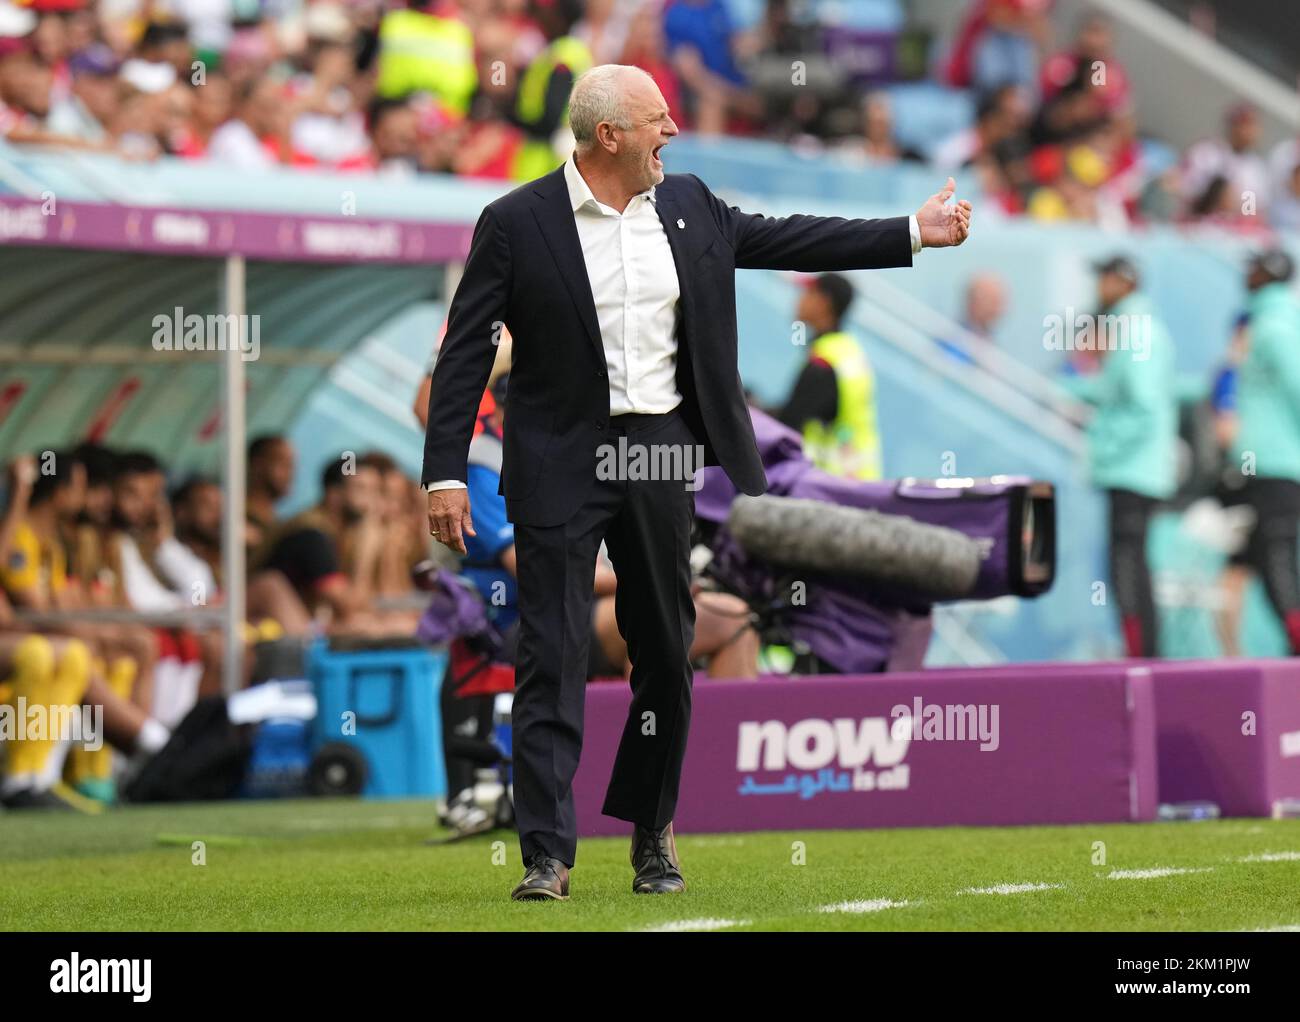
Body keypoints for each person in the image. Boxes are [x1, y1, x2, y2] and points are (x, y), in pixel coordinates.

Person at [421, 63, 971, 901]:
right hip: (561, 457)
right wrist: (445, 474)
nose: (672, 132)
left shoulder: (690, 206)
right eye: (658, 119)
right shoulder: (515, 222)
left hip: (659, 453)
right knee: (552, 652)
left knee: (667, 652)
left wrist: (912, 231)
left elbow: (792, 236)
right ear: (609, 135)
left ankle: (651, 833)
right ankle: (546, 855)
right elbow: (465, 352)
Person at [1060, 255, 1177, 657]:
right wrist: (1068, 391)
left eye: (1105, 278)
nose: (1099, 287)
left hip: (1133, 471)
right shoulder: (1133, 327)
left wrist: (1104, 448)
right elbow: (1116, 392)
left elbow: (1142, 407)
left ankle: (1142, 661)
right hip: (1134, 470)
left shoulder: (1136, 330)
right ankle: (1143, 658)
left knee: (1127, 571)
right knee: (1130, 568)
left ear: (1121, 283)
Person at [1231, 249, 1300, 655]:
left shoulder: (1274, 326)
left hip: (1276, 464)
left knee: (1276, 559)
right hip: (1269, 464)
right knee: (1258, 559)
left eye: (1253, 268)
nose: (1246, 274)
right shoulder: (1270, 321)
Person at [775, 273, 882, 481]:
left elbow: (787, 425)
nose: (800, 299)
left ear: (823, 303)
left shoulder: (823, 363)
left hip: (827, 485)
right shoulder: (848, 352)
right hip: (856, 483)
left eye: (808, 293)